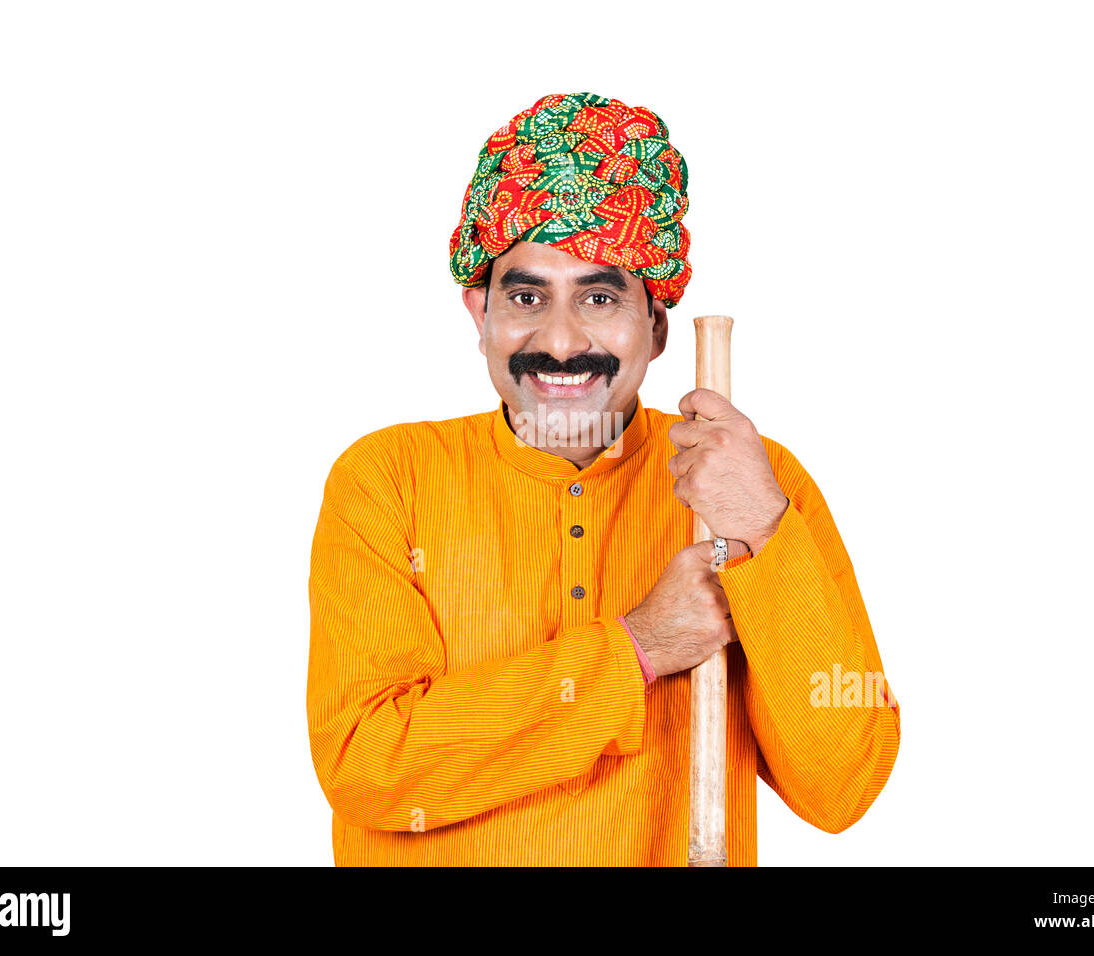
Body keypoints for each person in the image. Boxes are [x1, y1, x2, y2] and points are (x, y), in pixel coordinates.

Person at [306, 91, 900, 866]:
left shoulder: (755, 484)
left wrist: (765, 531)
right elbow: (368, 764)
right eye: (526, 297)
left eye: (599, 296)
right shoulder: (387, 480)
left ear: (654, 327)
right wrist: (640, 648)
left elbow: (843, 787)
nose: (559, 341)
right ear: (478, 312)